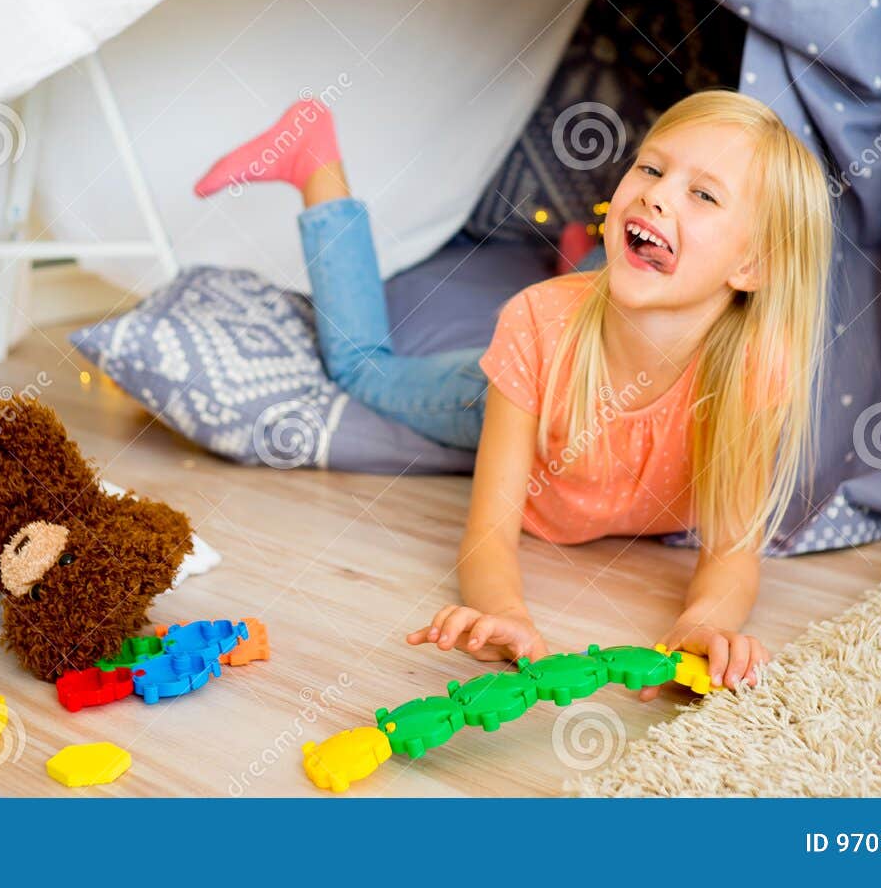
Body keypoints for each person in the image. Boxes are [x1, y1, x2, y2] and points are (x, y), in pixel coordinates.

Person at [194, 89, 833, 692]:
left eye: (703, 195)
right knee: (363, 370)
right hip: (517, 383)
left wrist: (703, 624)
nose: (657, 197)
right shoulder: (535, 327)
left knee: (609, 284)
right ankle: (315, 161)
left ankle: (579, 253)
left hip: (605, 314)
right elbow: (488, 533)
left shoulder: (754, 368)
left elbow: (732, 553)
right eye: (650, 170)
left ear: (751, 266)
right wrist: (505, 614)